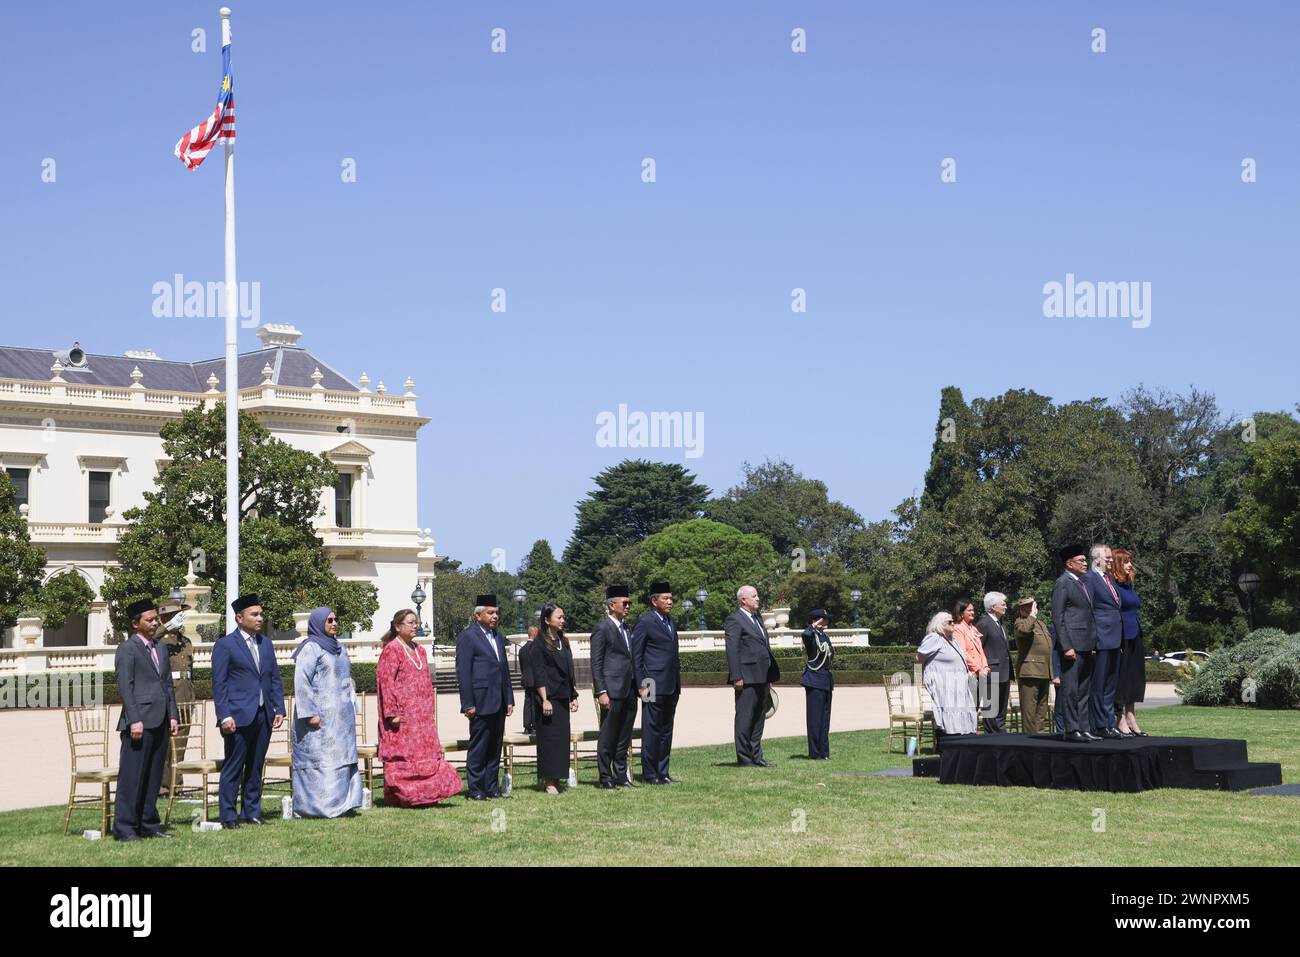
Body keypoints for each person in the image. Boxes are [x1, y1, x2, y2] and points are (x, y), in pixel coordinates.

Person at [376, 608, 464, 806]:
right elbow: (386, 683)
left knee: (425, 756)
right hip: (401, 718)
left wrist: (428, 711)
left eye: (416, 622)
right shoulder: (391, 650)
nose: (416, 626)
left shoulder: (421, 651)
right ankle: (404, 797)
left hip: (421, 719)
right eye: (410, 622)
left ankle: (427, 795)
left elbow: (426, 683)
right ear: (398, 627)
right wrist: (392, 714)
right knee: (404, 758)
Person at [212, 594, 286, 828]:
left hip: (263, 715)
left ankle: (251, 812)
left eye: (261, 614)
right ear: (239, 618)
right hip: (237, 716)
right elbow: (219, 684)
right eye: (255, 614)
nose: (260, 618)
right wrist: (224, 715)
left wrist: (279, 708)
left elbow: (274, 677)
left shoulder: (266, 643)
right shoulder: (225, 645)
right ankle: (228, 815)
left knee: (255, 766)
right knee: (234, 767)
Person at [112, 599, 178, 841]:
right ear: (135, 623)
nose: (154, 623)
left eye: (155, 619)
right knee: (132, 777)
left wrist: (173, 715)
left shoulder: (160, 647)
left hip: (160, 720)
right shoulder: (127, 649)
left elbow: (167, 685)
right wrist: (134, 719)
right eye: (149, 620)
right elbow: (125, 688)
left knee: (153, 776)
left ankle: (149, 825)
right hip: (139, 723)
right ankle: (125, 828)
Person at [290, 607, 363, 817]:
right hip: (319, 718)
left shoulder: (339, 647)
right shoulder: (311, 648)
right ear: (318, 622)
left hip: (341, 718)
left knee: (342, 757)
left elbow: (346, 679)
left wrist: (351, 705)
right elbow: (301, 682)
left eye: (335, 619)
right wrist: (309, 713)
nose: (334, 623)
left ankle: (344, 803)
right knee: (322, 759)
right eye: (329, 620)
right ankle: (318, 807)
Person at [455, 595, 514, 800]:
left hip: (498, 701)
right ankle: (476, 789)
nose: (495, 616)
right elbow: (463, 672)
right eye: (490, 612)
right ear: (477, 615)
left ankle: (491, 786)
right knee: (479, 747)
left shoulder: (498, 636)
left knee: (495, 746)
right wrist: (468, 704)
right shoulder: (468, 636)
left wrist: (509, 698)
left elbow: (504, 669)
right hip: (479, 702)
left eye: (497, 612)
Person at [521, 604, 578, 794]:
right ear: (547, 620)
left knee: (561, 741)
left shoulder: (563, 641)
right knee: (549, 741)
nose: (563, 620)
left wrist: (573, 695)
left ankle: (558, 777)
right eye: (559, 617)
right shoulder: (539, 644)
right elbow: (539, 673)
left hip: (562, 698)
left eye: (563, 617)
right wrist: (544, 699)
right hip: (548, 699)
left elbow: (569, 671)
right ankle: (548, 781)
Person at [630, 581, 681, 784]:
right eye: (665, 598)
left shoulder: (671, 621)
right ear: (654, 601)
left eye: (670, 598)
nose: (670, 601)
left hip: (671, 684)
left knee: (666, 729)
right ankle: (650, 774)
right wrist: (641, 684)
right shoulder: (645, 622)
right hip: (650, 683)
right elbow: (637, 656)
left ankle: (663, 772)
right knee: (651, 729)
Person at [725, 585, 781, 767]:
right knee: (745, 718)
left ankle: (757, 756)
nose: (758, 598)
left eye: (757, 595)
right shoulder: (735, 619)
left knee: (758, 719)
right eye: (754, 596)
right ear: (743, 600)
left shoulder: (757, 619)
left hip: (762, 677)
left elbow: (765, 647)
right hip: (746, 678)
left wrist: (770, 675)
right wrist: (736, 677)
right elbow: (732, 650)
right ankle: (744, 758)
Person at [590, 584, 637, 789]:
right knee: (608, 736)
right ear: (611, 605)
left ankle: (621, 776)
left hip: (629, 690)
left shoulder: (627, 628)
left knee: (624, 736)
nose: (628, 606)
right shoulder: (602, 629)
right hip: (611, 691)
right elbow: (596, 663)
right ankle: (605, 777)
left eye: (629, 603)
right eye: (624, 603)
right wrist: (601, 691)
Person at [1051, 545, 1099, 743]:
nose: (1085, 563)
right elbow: (1058, 617)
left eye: (1085, 560)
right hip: (1072, 645)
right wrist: (1066, 645)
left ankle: (1083, 727)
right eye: (1080, 560)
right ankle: (1071, 729)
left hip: (1086, 644)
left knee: (1084, 690)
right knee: (1070, 690)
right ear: (1069, 564)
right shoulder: (1063, 583)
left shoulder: (1082, 583)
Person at [916, 611, 977, 749]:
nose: (953, 624)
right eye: (949, 622)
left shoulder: (953, 640)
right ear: (940, 625)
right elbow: (919, 658)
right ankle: (947, 744)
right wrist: (919, 679)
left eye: (953, 621)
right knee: (948, 714)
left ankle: (961, 742)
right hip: (944, 685)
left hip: (958, 685)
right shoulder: (934, 638)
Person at [156, 597, 193, 796]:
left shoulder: (185, 641)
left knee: (179, 747)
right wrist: (167, 627)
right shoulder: (158, 639)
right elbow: (150, 639)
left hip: (185, 697)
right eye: (176, 615)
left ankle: (177, 786)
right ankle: (162, 787)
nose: (181, 618)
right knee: (165, 748)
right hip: (168, 699)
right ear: (166, 617)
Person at [1086, 544, 1125, 739]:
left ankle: (1110, 723)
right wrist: (1092, 640)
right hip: (1101, 638)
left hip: (1115, 638)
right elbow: (1089, 610)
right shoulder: (1090, 579)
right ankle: (1099, 725)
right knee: (1099, 685)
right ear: (1096, 559)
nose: (1111, 560)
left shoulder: (1109, 579)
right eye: (1107, 557)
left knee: (1111, 685)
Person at [1112, 549, 1148, 736]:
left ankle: (1131, 715)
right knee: (1122, 677)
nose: (1130, 565)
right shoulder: (1113, 586)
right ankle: (1119, 718)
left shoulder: (1129, 584)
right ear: (1117, 563)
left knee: (1134, 677)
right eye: (1126, 562)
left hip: (1135, 634)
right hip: (1121, 636)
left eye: (1130, 561)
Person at [1011, 596, 1053, 734]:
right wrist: (1032, 615)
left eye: (1032, 605)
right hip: (1029, 672)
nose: (1030, 609)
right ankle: (1029, 744)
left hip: (1044, 671)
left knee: (1041, 712)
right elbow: (1024, 632)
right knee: (1029, 713)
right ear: (1021, 609)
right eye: (1027, 606)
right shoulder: (1020, 622)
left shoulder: (1040, 623)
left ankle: (1039, 741)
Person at [975, 592, 1012, 733]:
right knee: (991, 709)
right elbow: (977, 648)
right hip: (991, 672)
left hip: (1004, 672)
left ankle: (1001, 736)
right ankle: (991, 738)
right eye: (1003, 604)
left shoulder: (1001, 623)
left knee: (1001, 709)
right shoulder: (984, 624)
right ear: (992, 606)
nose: (1006, 607)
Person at [800, 608, 834, 760]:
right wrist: (813, 625)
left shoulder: (823, 636)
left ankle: (824, 752)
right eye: (824, 618)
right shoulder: (811, 635)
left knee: (825, 719)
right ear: (817, 620)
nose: (827, 621)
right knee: (815, 719)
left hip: (825, 680)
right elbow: (805, 635)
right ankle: (815, 753)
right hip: (814, 681)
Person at [951, 599, 990, 722]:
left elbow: (981, 651)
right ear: (961, 613)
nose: (973, 612)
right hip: (970, 675)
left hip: (980, 674)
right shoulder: (957, 628)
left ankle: (974, 732)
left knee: (976, 708)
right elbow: (963, 652)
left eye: (973, 610)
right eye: (969, 610)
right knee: (969, 708)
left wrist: (985, 666)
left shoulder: (973, 628)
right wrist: (978, 668)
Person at [521, 622, 539, 735]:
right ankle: (534, 724)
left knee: (527, 703)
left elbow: (523, 667)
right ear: (533, 634)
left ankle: (527, 725)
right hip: (535, 679)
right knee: (535, 702)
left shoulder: (522, 649)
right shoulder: (535, 648)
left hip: (526, 679)